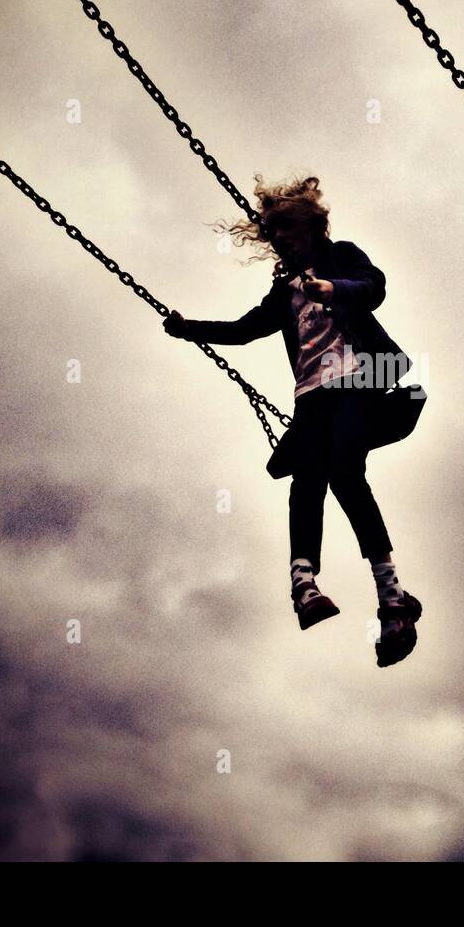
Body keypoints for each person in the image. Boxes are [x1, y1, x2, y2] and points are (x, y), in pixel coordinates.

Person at [164, 175, 422, 667]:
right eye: (273, 232)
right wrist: (186, 329)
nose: (279, 238)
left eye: (286, 227)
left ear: (312, 225)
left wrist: (333, 288)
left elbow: (374, 287)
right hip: (312, 395)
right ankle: (304, 584)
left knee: (344, 466)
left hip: (364, 375)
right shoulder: (284, 292)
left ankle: (390, 596)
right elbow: (244, 330)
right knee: (308, 479)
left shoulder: (341, 255)